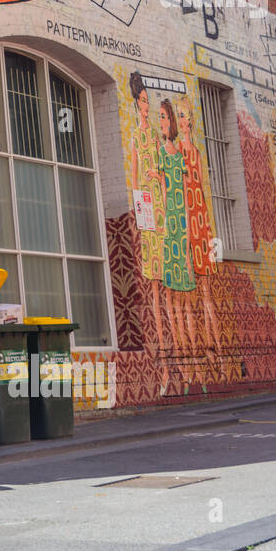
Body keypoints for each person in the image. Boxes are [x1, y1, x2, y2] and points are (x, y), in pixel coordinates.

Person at [175, 97, 221, 354]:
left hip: (200, 220)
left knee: (206, 287)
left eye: (184, 115)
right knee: (187, 288)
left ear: (191, 119)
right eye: (179, 115)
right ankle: (193, 348)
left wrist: (209, 233)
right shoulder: (175, 151)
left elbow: (201, 187)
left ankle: (216, 345)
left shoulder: (196, 153)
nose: (182, 120)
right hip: (184, 220)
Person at [128, 72, 166, 346]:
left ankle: (166, 313)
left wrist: (158, 175)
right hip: (146, 201)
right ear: (136, 103)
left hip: (160, 199)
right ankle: (158, 330)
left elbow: (164, 168)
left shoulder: (155, 134)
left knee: (165, 261)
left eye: (147, 100)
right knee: (152, 265)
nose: (146, 105)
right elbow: (133, 174)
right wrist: (139, 207)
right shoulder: (135, 136)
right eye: (143, 100)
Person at [158, 99, 198, 348]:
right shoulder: (162, 153)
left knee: (185, 295)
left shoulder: (177, 156)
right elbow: (165, 189)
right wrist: (165, 220)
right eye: (160, 117)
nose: (162, 121)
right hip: (171, 222)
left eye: (164, 117)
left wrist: (188, 228)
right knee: (171, 292)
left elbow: (182, 189)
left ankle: (191, 346)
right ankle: (179, 345)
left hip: (181, 221)